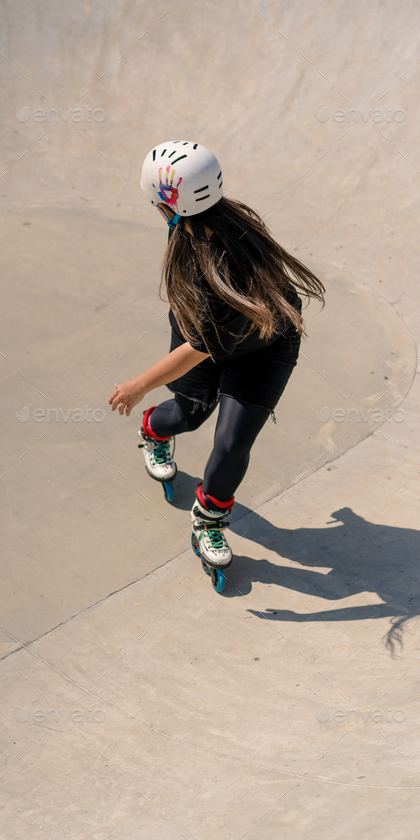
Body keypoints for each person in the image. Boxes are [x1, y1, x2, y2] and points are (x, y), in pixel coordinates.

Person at [109, 140, 325, 573]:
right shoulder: (205, 215)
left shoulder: (220, 258)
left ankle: (208, 520)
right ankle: (155, 428)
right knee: (188, 416)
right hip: (206, 331)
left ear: (168, 205)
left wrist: (137, 385)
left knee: (230, 444)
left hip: (264, 346)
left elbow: (197, 351)